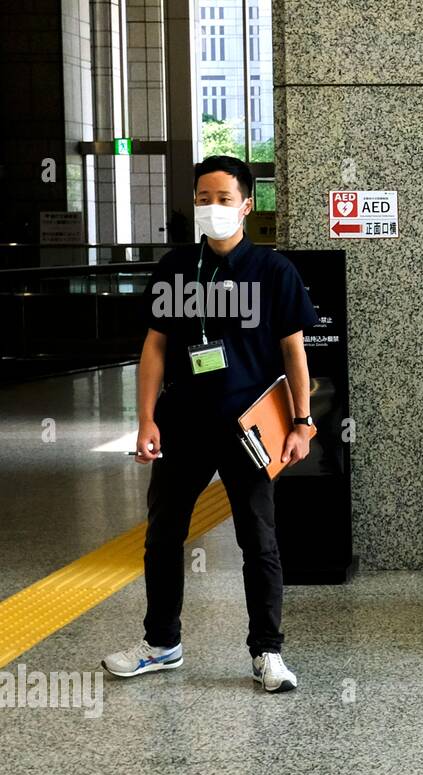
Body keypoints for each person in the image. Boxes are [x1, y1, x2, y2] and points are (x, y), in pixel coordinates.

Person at [102, 155, 318, 692]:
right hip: (184, 424)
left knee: (258, 540)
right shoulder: (175, 268)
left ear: (247, 205)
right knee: (163, 535)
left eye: (224, 199)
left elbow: (295, 352)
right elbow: (154, 347)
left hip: (247, 426)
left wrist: (302, 422)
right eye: (203, 199)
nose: (212, 208)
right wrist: (146, 418)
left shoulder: (273, 271)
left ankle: (267, 652)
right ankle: (162, 643)